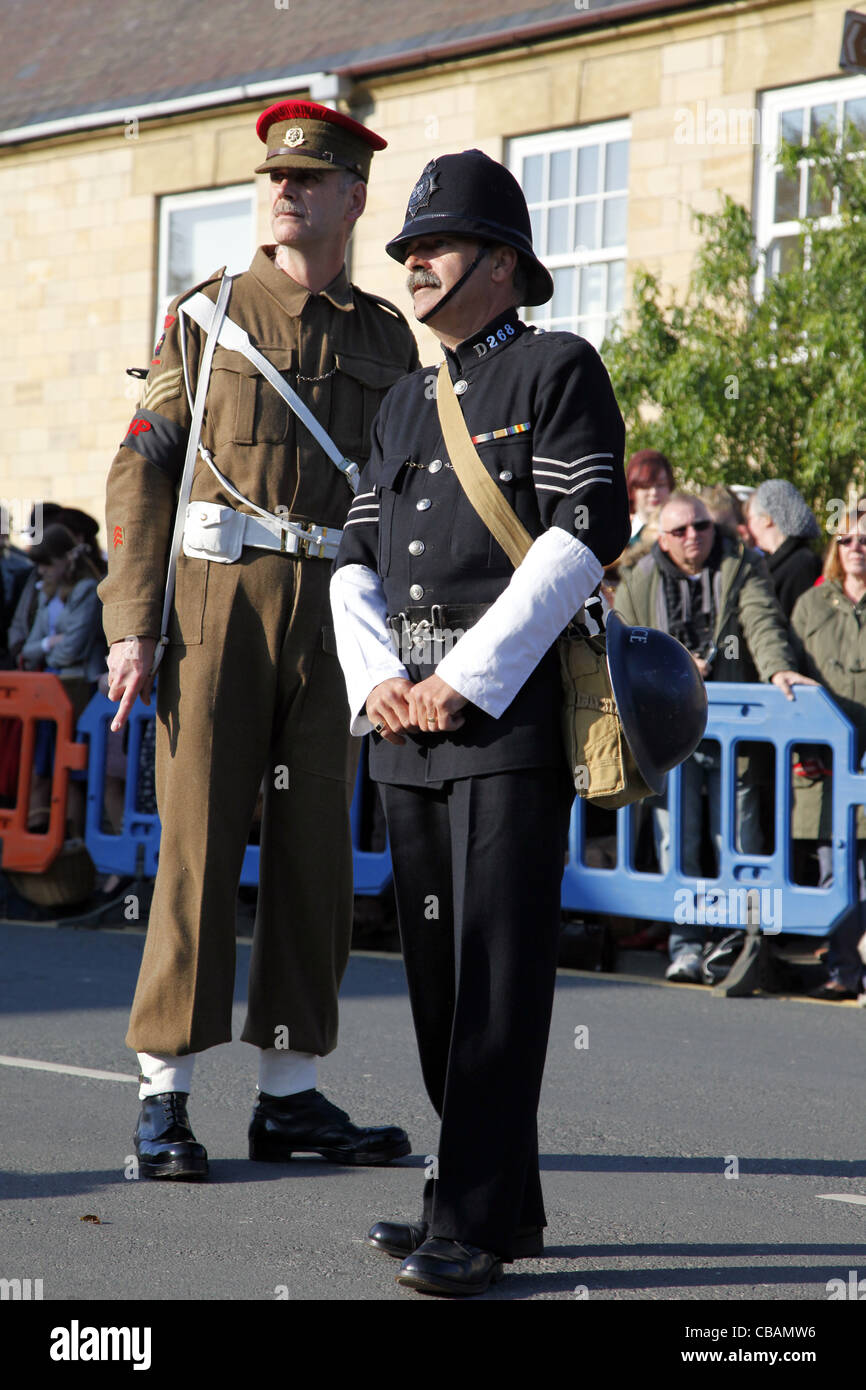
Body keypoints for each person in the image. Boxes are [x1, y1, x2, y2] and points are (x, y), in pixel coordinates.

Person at [100, 100, 420, 1180]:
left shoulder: (386, 339)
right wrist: (131, 622)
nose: (284, 189)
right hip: (213, 603)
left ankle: (287, 1096)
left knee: (313, 853)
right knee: (194, 844)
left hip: (335, 613)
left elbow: (405, 493)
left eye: (310, 178)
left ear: (352, 200)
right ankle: (165, 1097)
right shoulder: (206, 315)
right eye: (274, 177)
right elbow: (142, 463)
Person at [330, 149, 630, 1295]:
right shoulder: (404, 399)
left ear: (501, 265)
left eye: (435, 247)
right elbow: (352, 556)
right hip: (406, 724)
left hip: (503, 721)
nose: (412, 264)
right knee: (436, 978)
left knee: (497, 975)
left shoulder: (558, 367)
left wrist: (462, 676)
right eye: (405, 249)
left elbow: (581, 530)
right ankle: (501, 1202)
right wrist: (379, 685)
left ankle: (467, 1218)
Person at [614, 491, 816, 983]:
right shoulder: (638, 580)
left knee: (738, 840)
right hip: (667, 739)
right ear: (662, 536)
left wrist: (778, 672)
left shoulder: (741, 565)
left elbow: (764, 625)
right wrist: (678, 666)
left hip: (734, 734)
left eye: (702, 527)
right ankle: (684, 946)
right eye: (680, 530)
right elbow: (623, 646)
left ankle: (737, 942)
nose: (693, 538)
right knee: (676, 844)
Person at [791, 502, 866, 1000]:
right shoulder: (810, 605)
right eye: (847, 540)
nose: (856, 549)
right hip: (828, 765)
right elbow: (789, 667)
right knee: (834, 870)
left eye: (865, 541)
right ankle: (843, 967)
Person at [745, 479, 821, 618]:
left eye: (749, 519)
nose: (747, 528)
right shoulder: (771, 562)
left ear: (766, 519)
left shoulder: (802, 565)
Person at [625, 449, 673, 546]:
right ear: (632, 490)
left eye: (660, 485)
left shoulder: (682, 534)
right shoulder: (620, 537)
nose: (654, 492)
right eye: (645, 486)